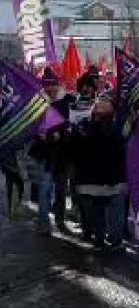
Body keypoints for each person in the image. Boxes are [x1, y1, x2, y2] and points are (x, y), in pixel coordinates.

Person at [71, 92, 126, 250]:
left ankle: (108, 240)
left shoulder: (114, 125)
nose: (100, 103)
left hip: (104, 179)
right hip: (100, 179)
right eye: (99, 100)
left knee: (107, 213)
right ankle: (106, 239)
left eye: (104, 101)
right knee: (104, 212)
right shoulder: (85, 124)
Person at [29, 67, 76, 236]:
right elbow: (31, 127)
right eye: (47, 85)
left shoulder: (68, 101)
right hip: (44, 154)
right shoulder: (36, 103)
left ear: (58, 85)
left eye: (53, 85)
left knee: (61, 189)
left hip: (63, 154)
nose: (50, 89)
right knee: (45, 188)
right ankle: (44, 222)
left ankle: (59, 219)